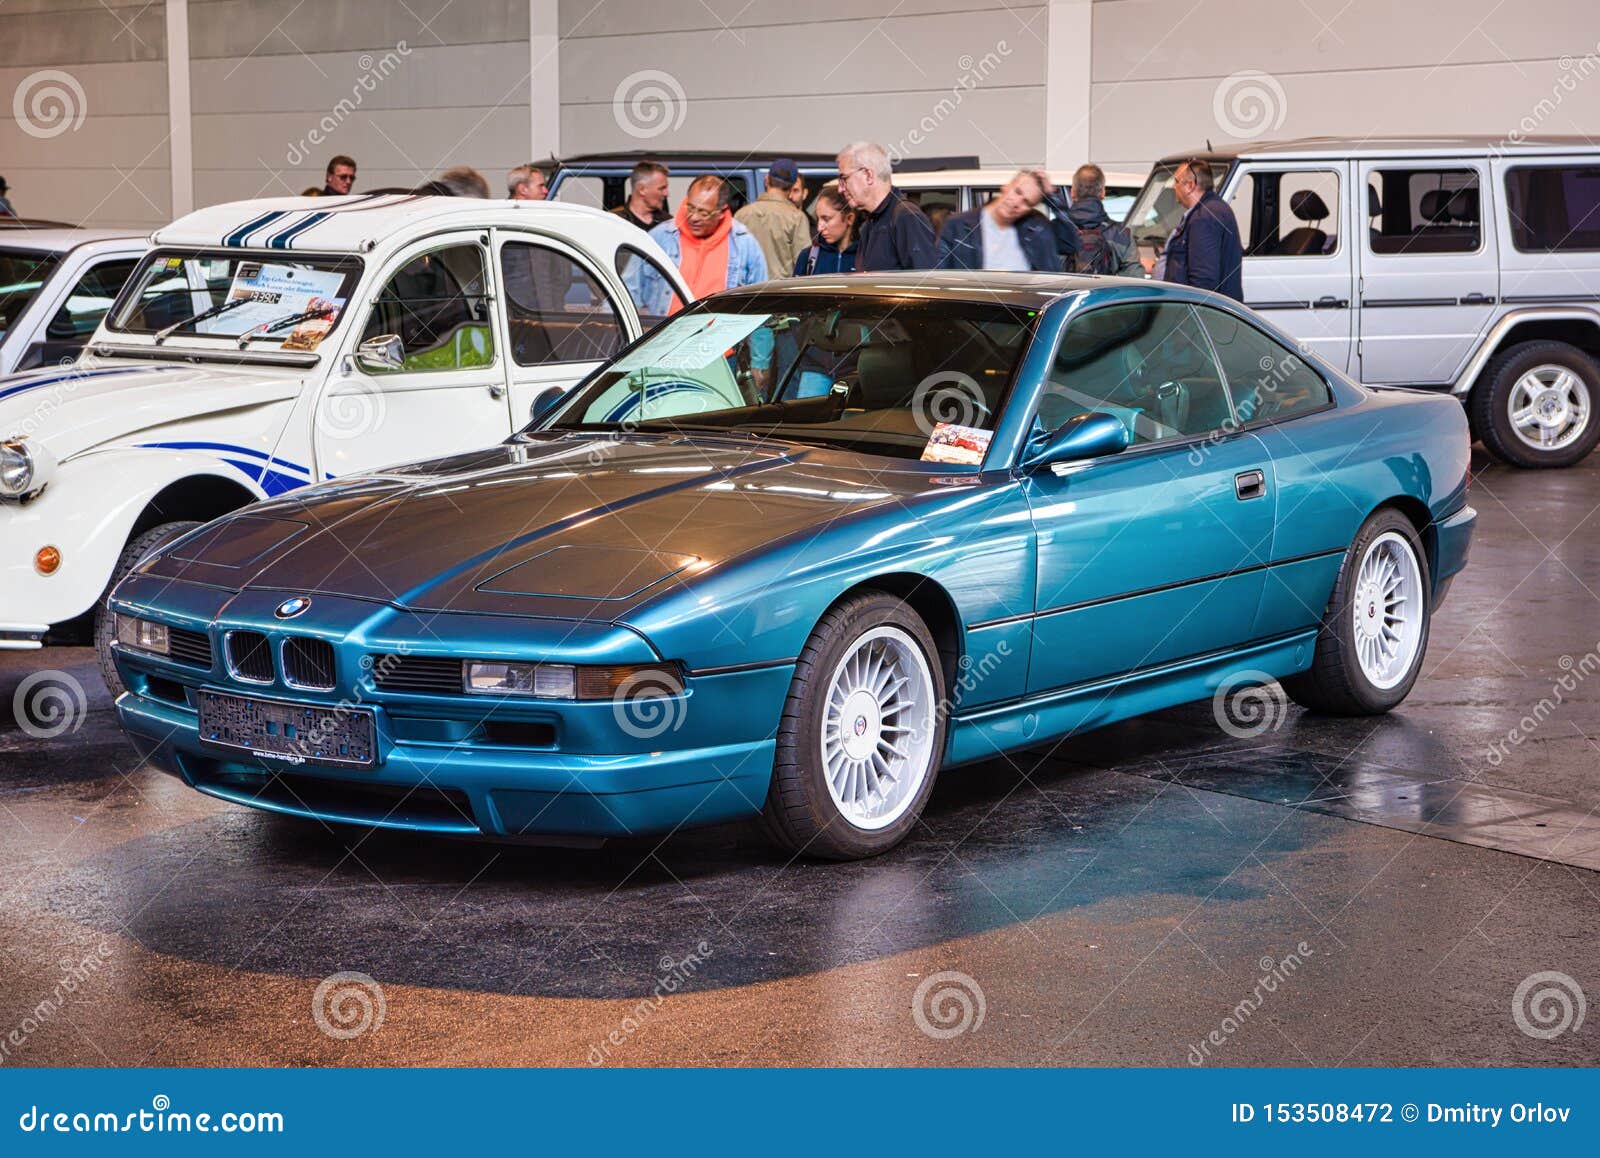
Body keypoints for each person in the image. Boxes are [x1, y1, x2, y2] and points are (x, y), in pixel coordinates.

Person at [629, 175, 766, 318]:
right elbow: (630, 289)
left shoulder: (745, 244)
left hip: (719, 338)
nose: (694, 217)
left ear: (721, 211)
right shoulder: (659, 237)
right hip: (665, 337)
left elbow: (760, 306)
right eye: (691, 208)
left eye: (703, 212)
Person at [935, 170, 1062, 272]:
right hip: (974, 302)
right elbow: (938, 275)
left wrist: (1052, 197)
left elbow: (1070, 244)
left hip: (1023, 303)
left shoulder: (1037, 229)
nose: (1017, 203)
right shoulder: (957, 225)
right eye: (1017, 192)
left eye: (1026, 202)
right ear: (1005, 187)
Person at [836, 141, 935, 271]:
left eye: (844, 179)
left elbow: (925, 284)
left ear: (868, 175)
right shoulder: (870, 223)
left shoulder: (907, 218)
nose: (840, 189)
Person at [1157, 158, 1243, 300]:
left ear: (1190, 185)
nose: (1173, 187)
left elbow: (1203, 280)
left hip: (1200, 314)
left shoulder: (1204, 217)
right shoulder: (1209, 211)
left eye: (1176, 181)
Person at [735, 158, 811, 283]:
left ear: (766, 180)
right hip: (781, 296)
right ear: (792, 187)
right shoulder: (797, 218)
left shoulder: (741, 215)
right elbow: (804, 267)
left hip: (747, 294)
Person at [1064, 163, 1142, 275]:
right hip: (1107, 292)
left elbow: (1042, 279)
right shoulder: (1122, 234)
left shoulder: (1054, 232)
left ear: (1072, 192)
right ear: (1103, 193)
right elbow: (1134, 281)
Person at [792, 182, 857, 276]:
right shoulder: (808, 257)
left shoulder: (866, 256)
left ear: (849, 218)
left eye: (826, 219)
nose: (819, 228)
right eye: (818, 219)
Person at [612, 160, 671, 231]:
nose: (666, 193)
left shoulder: (669, 223)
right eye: (661, 188)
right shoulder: (614, 221)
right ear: (641, 189)